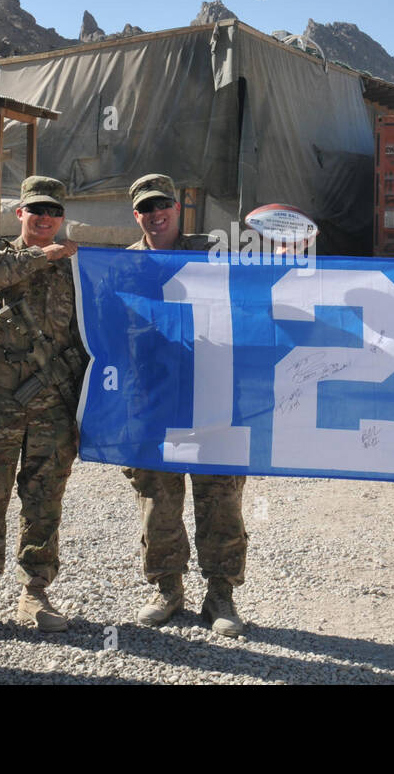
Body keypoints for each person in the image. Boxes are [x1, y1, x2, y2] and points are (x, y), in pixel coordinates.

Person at [0, 175, 84, 643]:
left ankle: (36, 592)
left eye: (53, 212)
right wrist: (44, 255)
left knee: (44, 500)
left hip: (54, 401)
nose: (45, 218)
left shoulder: (78, 269)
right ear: (19, 214)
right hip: (2, 397)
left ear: (61, 217)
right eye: (36, 211)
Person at [124, 173, 249, 636]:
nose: (156, 215)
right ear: (136, 214)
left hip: (213, 396)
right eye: (146, 208)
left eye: (164, 205)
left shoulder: (217, 252)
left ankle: (221, 597)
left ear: (178, 208)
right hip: (155, 404)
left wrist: (283, 261)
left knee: (220, 500)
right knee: (158, 502)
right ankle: (167, 590)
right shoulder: (123, 266)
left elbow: (258, 289)